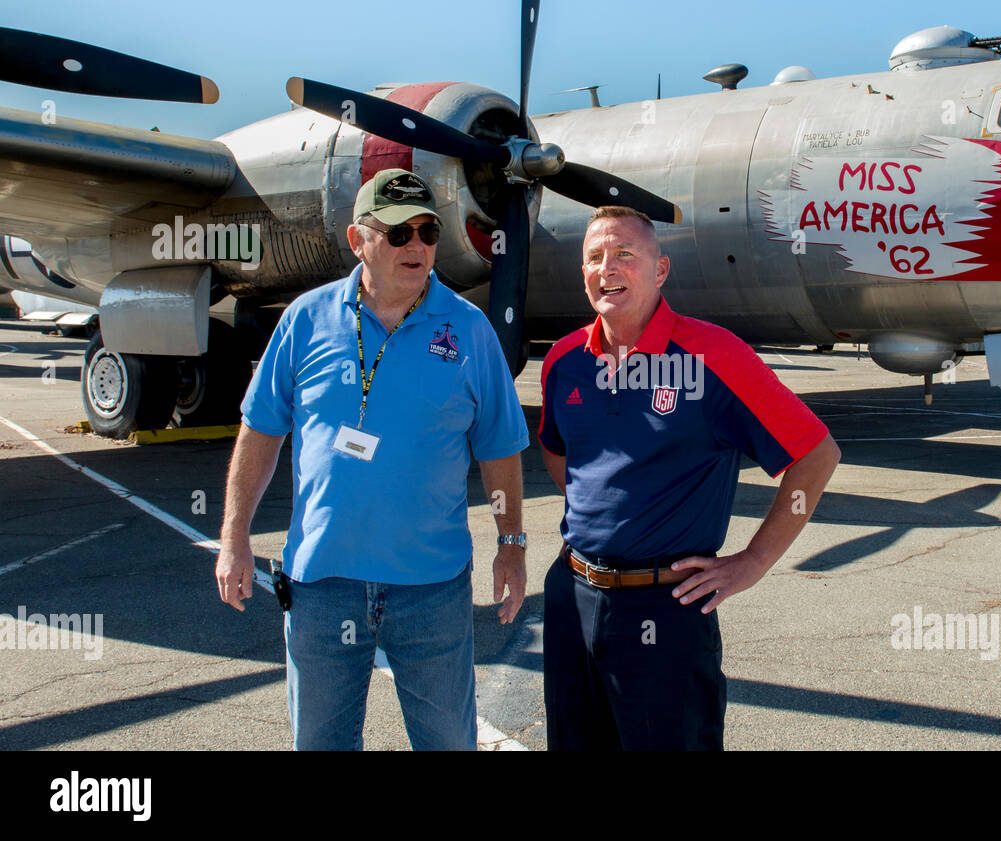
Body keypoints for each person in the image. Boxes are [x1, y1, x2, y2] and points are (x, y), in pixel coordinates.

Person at [215, 168, 530, 750]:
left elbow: (499, 446)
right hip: (321, 585)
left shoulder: (469, 330)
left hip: (430, 589)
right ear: (359, 240)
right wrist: (234, 535)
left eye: (428, 232)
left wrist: (511, 544)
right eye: (399, 232)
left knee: (447, 743)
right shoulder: (304, 320)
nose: (417, 246)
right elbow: (260, 430)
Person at [538, 206, 841, 750]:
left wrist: (753, 561)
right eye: (594, 257)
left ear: (660, 271)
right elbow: (558, 451)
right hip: (571, 596)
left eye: (626, 254)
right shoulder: (564, 360)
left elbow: (816, 454)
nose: (608, 267)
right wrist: (611, 517)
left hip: (665, 609)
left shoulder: (713, 355)